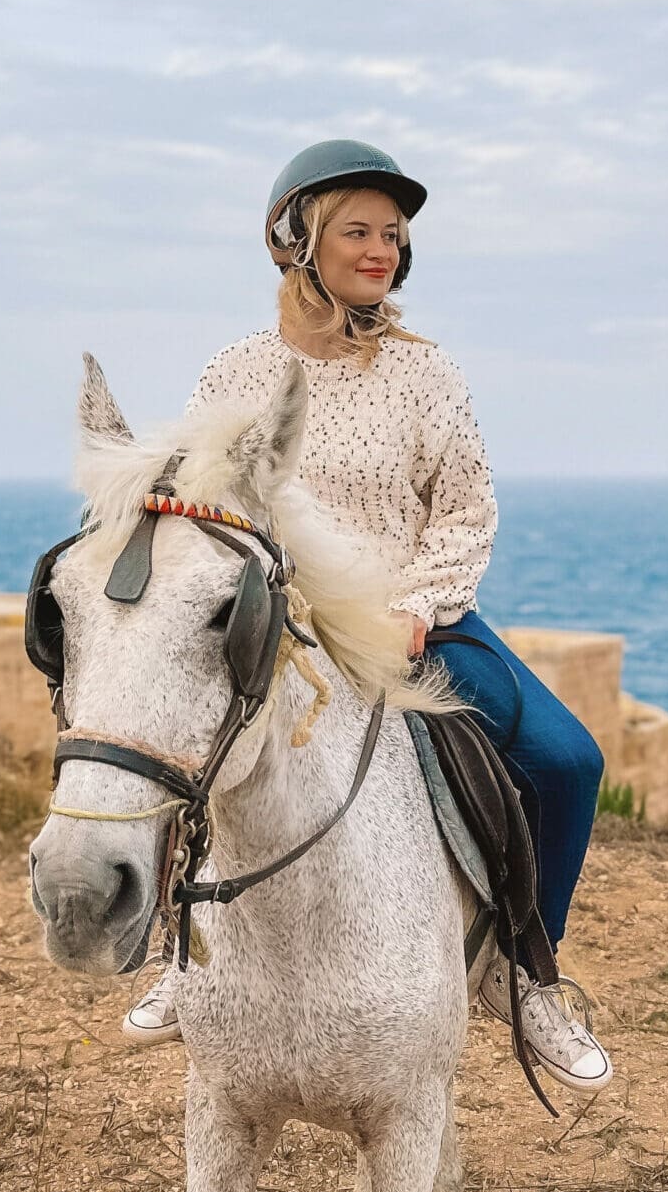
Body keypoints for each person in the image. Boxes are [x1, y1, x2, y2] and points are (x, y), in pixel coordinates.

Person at [120, 138, 613, 1092]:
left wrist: (419, 607)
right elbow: (204, 497)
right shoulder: (236, 372)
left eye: (392, 233)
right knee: (170, 739)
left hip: (408, 619)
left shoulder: (425, 373)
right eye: (356, 229)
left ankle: (525, 973)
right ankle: (177, 959)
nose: (379, 248)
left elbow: (467, 507)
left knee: (567, 761)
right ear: (295, 239)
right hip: (278, 617)